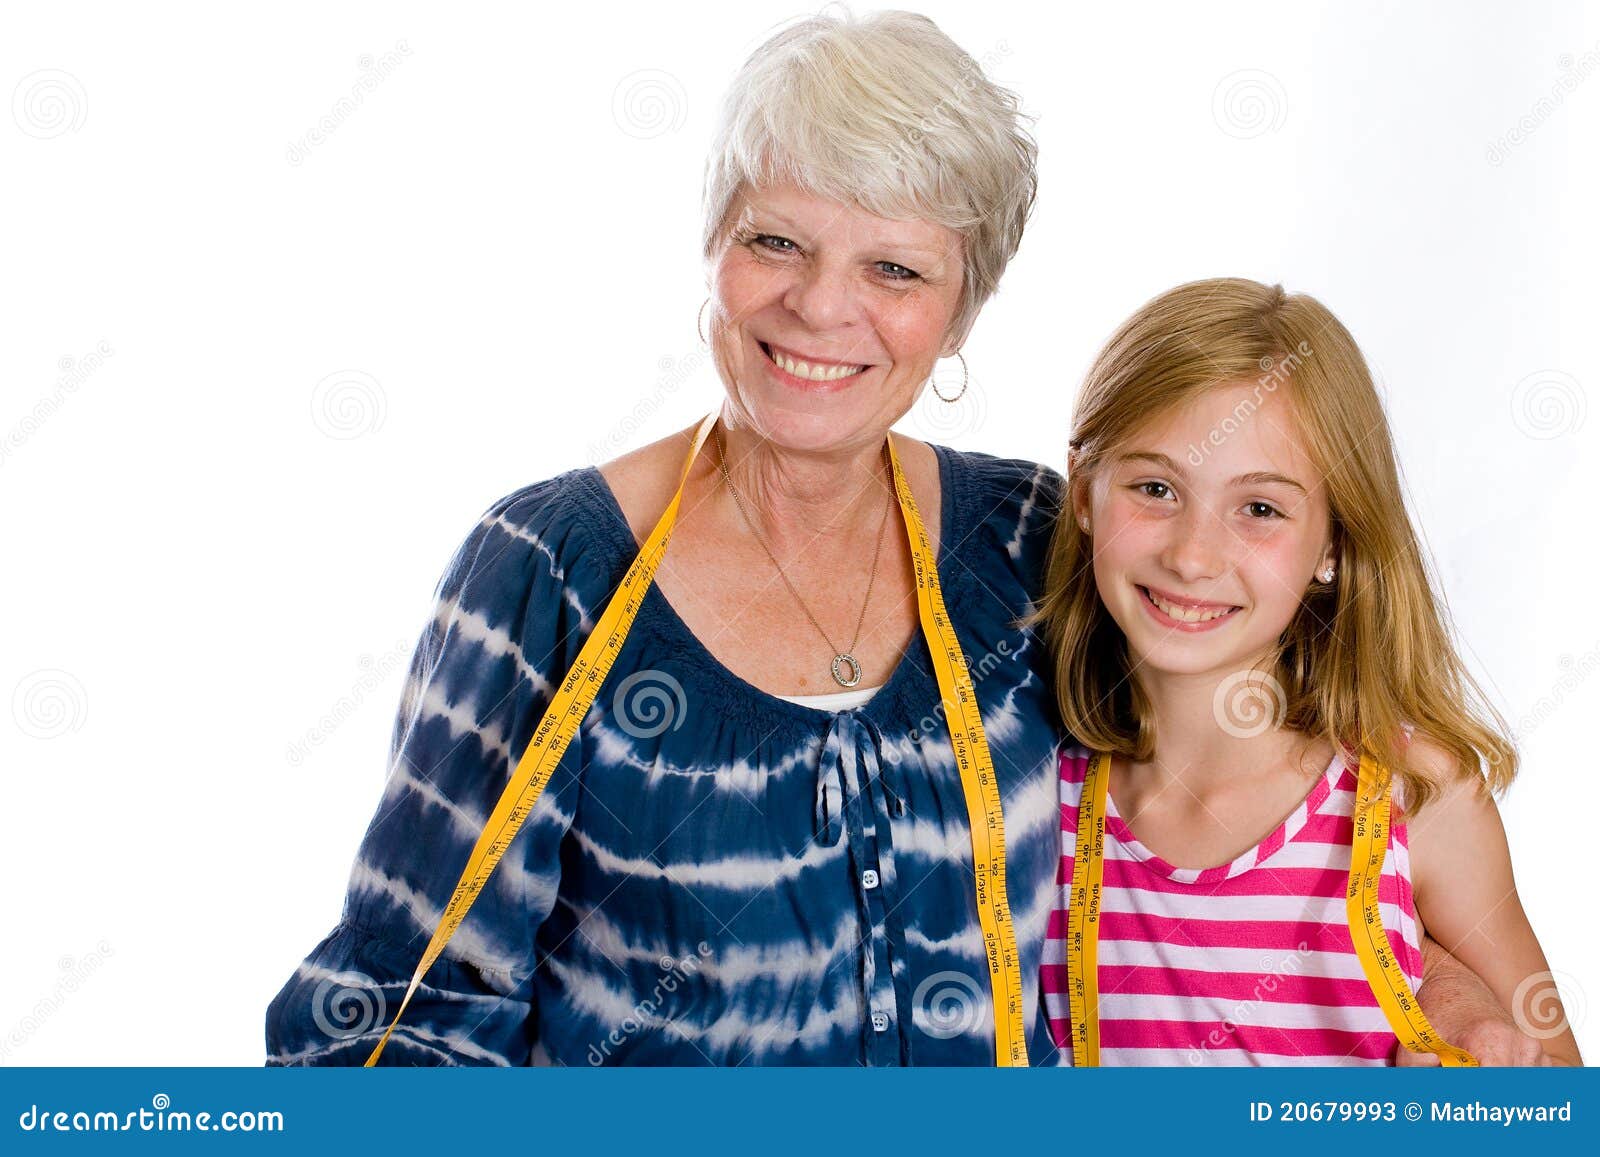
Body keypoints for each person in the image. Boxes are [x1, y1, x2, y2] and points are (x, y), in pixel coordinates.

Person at [265, 11, 1521, 1067]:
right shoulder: (549, 572)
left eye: (895, 271)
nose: (821, 306)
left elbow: (1236, 743)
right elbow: (396, 1021)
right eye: (776, 241)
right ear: (711, 244)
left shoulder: (1025, 543)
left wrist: (1459, 985)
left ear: (962, 309)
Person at [1035, 278, 1582, 1066]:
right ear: (1083, 491)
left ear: (1333, 545)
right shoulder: (1031, 793)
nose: (1192, 554)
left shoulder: (1416, 795)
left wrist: (1490, 1093)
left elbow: (1559, 1099)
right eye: (1154, 488)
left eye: (1260, 509)